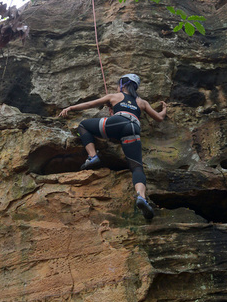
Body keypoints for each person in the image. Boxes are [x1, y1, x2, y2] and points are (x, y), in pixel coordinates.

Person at [59, 74, 167, 219]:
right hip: (134, 128)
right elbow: (159, 117)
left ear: (123, 85)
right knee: (137, 167)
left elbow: (90, 104)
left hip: (118, 121)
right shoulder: (142, 102)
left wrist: (71, 108)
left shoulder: (115, 96)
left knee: (83, 126)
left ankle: (92, 156)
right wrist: (164, 108)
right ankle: (141, 197)